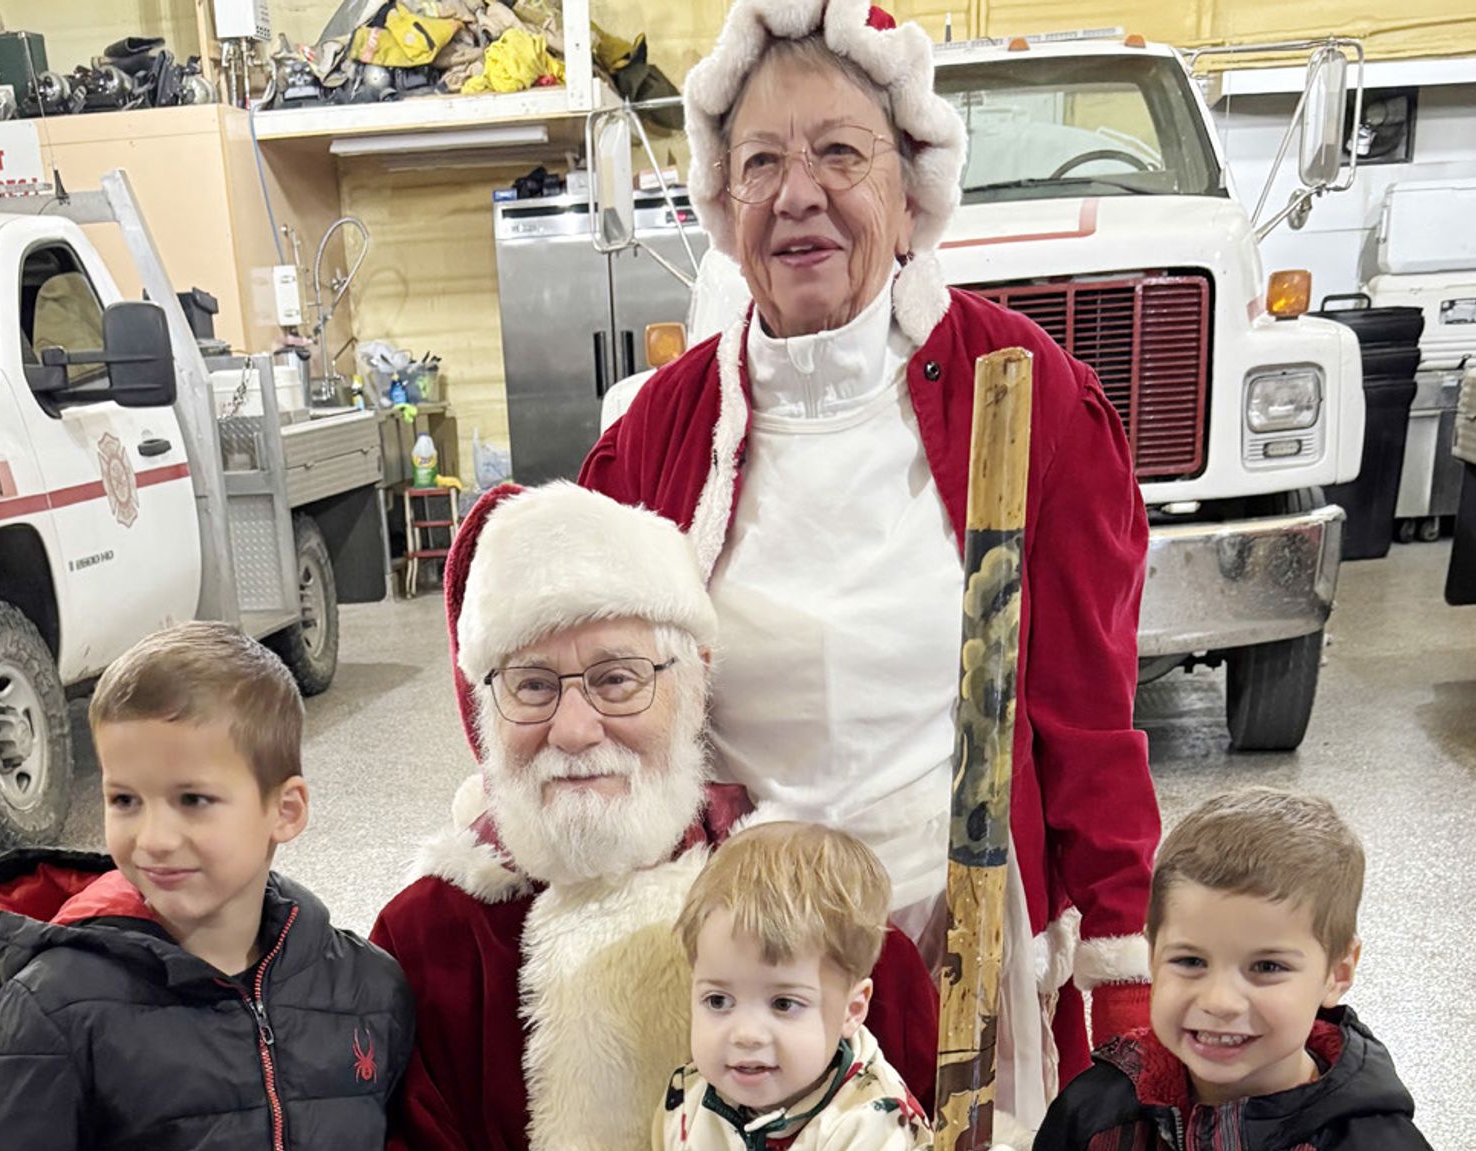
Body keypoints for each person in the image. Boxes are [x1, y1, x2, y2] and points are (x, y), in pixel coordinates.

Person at [578, 0, 1162, 1130]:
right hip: (749, 979)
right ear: (724, 202)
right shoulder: (663, 426)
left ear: (909, 193)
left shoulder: (1018, 387)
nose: (798, 193)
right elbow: (579, 678)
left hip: (959, 944)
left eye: (840, 153)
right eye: (761, 162)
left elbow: (1089, 706)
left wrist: (1122, 963)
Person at [371, 480, 939, 1151]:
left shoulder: (814, 909)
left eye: (617, 678)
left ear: (693, 684)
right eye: (532, 685)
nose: (573, 730)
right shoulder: (429, 942)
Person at [0, 622, 413, 1150]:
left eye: (192, 800)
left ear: (285, 811)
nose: (154, 839)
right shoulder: (54, 1011)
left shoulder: (368, 989)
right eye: (125, 800)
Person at [1035, 787, 1433, 1150]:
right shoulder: (1094, 1111)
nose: (1219, 1001)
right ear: (1153, 955)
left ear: (1338, 973)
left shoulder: (1378, 1143)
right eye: (1190, 961)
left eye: (1267, 966)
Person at [655, 822, 931, 1150]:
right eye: (718, 1001)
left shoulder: (873, 1125)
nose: (745, 1034)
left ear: (851, 1011)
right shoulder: (687, 1099)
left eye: (783, 1003)